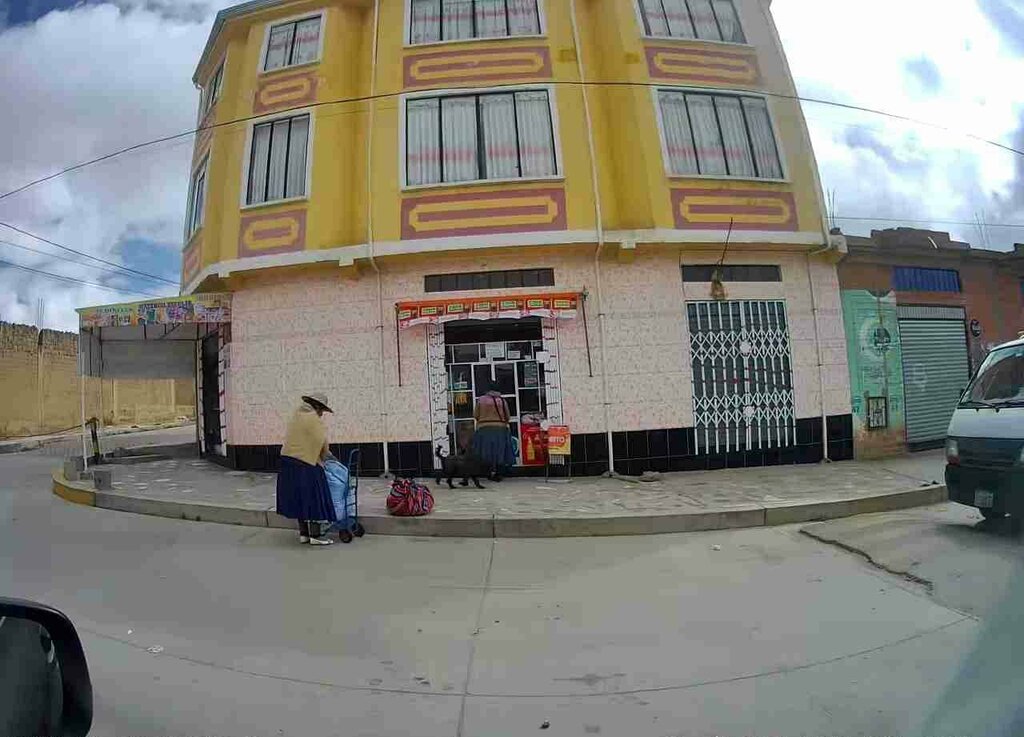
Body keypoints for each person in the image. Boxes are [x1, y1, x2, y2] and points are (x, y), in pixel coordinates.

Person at [276, 393, 338, 546]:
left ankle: (303, 534)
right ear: (317, 406)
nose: (322, 414)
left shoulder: (296, 415)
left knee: (298, 497)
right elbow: (323, 446)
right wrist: (332, 460)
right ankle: (315, 536)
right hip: (305, 463)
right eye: (322, 410)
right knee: (314, 496)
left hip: (287, 461)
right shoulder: (313, 419)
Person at [472, 381, 515, 481]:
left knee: (486, 452)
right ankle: (499, 474)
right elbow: (507, 416)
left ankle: (488, 472)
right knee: (499, 451)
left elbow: (475, 415)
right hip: (500, 429)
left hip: (484, 428)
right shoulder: (502, 401)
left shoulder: (481, 400)